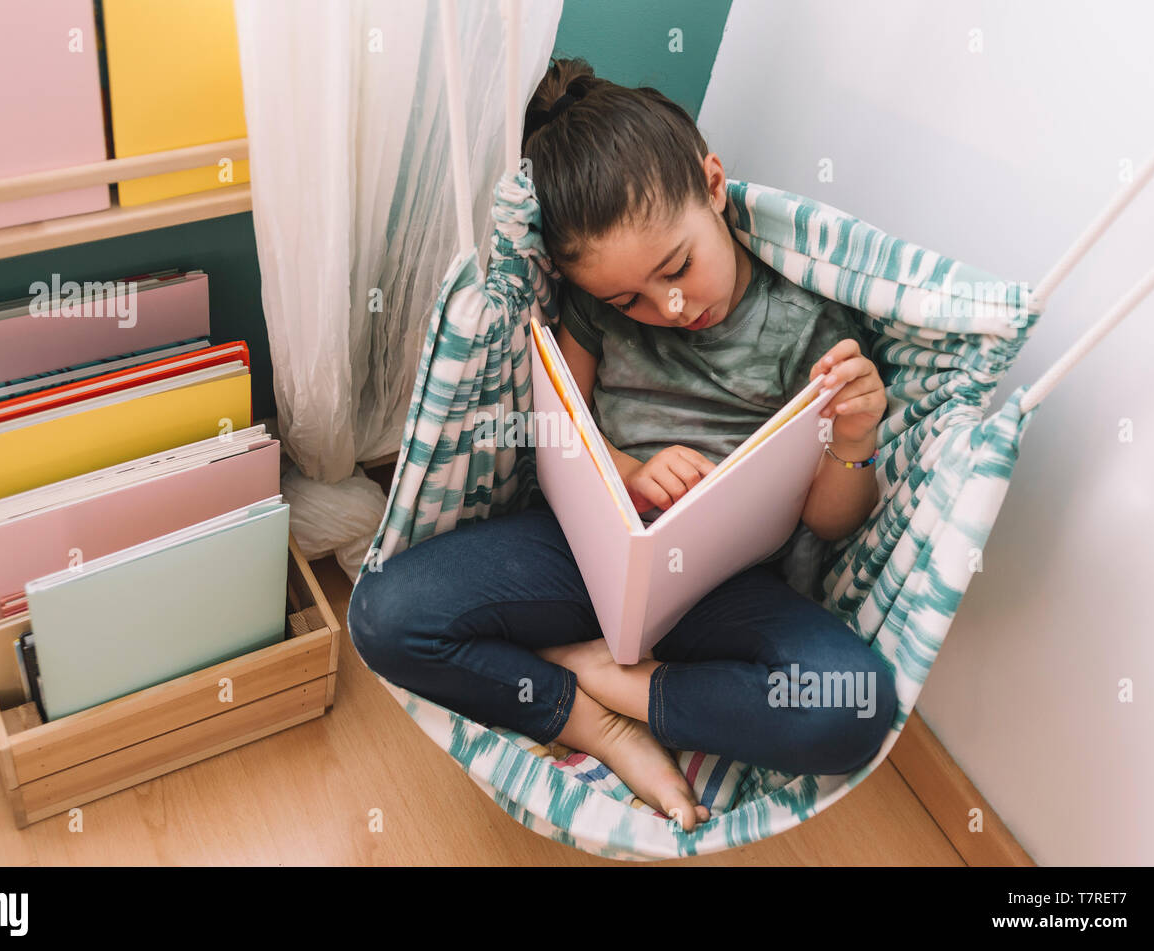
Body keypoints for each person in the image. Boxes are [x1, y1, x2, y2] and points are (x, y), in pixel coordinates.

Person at [347, 58, 897, 834]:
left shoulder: (805, 330)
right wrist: (633, 472)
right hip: (588, 554)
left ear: (712, 185)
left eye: (677, 268)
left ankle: (616, 680)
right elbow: (560, 432)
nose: (668, 306)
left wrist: (854, 434)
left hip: (722, 586)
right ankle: (589, 720)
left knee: (854, 703)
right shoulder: (596, 311)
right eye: (628, 299)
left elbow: (833, 523)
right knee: (384, 616)